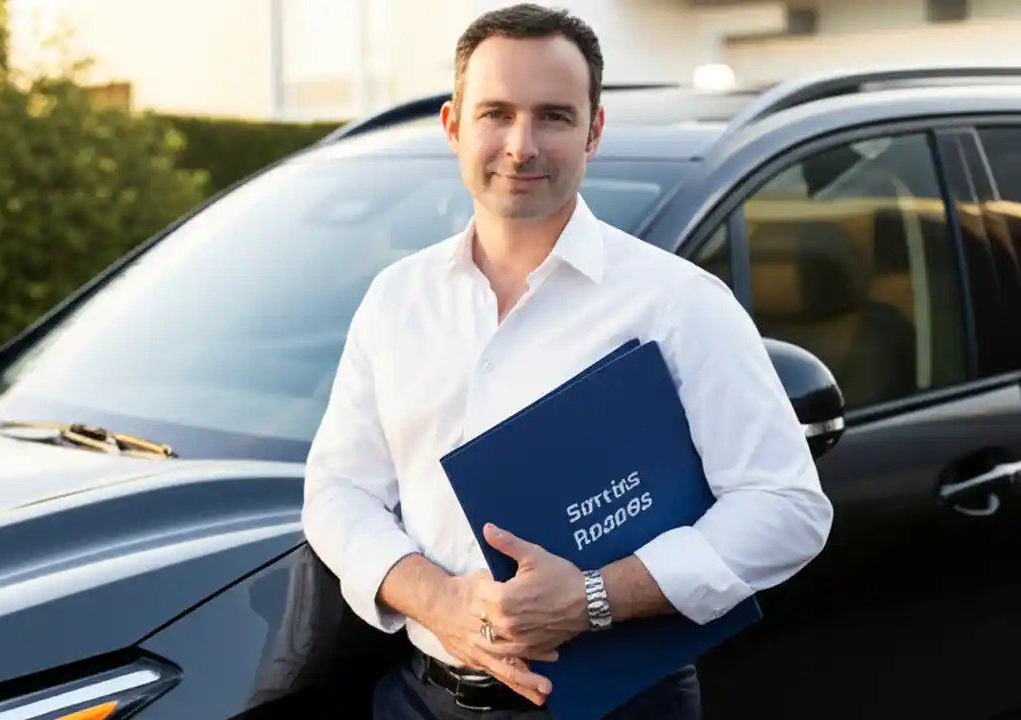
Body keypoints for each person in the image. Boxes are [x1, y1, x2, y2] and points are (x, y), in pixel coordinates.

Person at [301, 4, 834, 718]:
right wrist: (444, 602)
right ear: (454, 125)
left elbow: (787, 506)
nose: (521, 146)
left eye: (553, 116)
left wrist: (592, 599)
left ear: (594, 131)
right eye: (496, 113)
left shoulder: (678, 304)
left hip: (623, 702)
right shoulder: (396, 301)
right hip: (427, 699)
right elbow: (337, 490)